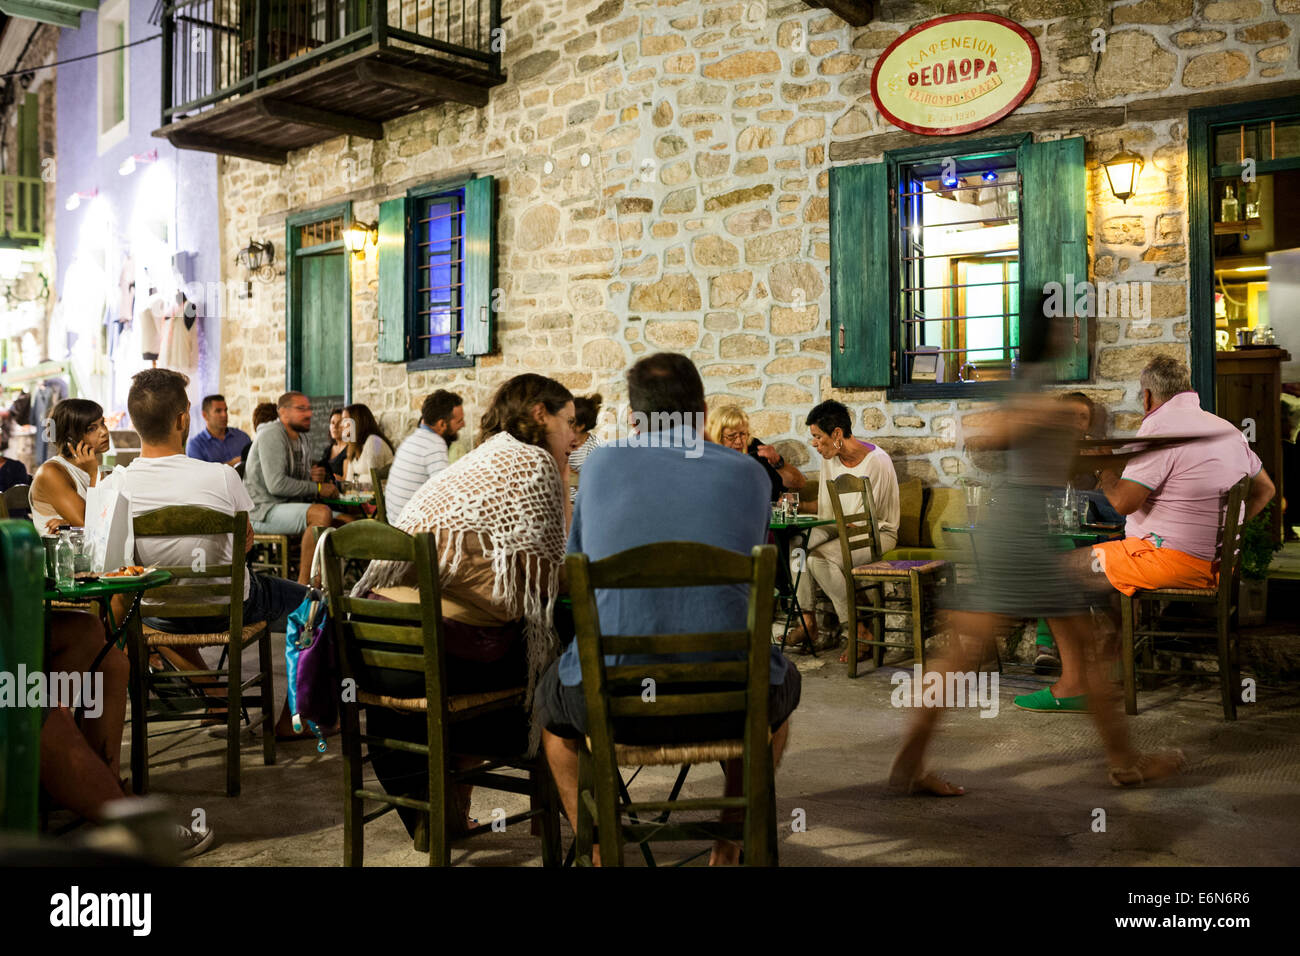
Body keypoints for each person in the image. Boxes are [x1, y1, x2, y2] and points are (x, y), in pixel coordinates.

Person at [889, 310, 1186, 795]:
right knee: (1076, 657)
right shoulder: (1028, 390)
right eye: (1065, 329)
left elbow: (1043, 449)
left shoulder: (1036, 388)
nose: (1074, 337)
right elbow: (989, 432)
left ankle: (910, 761)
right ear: (1048, 337)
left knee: (963, 654)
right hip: (1021, 537)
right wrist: (1039, 424)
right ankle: (1125, 763)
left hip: (1013, 533)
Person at [535, 353, 801, 866]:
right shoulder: (749, 475)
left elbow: (576, 569)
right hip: (729, 698)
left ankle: (598, 850)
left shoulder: (600, 467)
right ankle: (728, 843)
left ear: (634, 418)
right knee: (778, 696)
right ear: (702, 413)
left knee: (553, 725)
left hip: (613, 700)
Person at [353, 373, 574, 836]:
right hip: (434, 658)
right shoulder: (534, 465)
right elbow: (548, 579)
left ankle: (445, 815)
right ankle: (571, 812)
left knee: (519, 633)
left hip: (374, 646)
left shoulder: (478, 458)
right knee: (561, 659)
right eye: (569, 423)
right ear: (540, 415)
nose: (573, 437)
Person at [1016, 356, 1277, 712]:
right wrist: (1229, 532)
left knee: (1050, 573)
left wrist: (1105, 466)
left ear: (1149, 396)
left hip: (1170, 560)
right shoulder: (1227, 430)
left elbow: (1123, 502)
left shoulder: (1160, 431)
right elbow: (1266, 491)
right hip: (1216, 564)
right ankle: (1114, 671)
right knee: (1107, 573)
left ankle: (1073, 685)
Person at [105, 369, 310, 739]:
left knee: (167, 605)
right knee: (316, 608)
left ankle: (217, 697)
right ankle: (297, 721)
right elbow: (243, 546)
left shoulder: (115, 485)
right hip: (227, 609)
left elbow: (111, 568)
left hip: (158, 615)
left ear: (135, 423)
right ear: (183, 419)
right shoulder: (222, 476)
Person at [788, 400, 900, 659]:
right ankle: (808, 621)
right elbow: (830, 508)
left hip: (877, 533)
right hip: (839, 526)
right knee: (797, 545)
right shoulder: (830, 459)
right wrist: (800, 506)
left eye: (818, 437)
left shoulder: (877, 461)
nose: (814, 444)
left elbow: (864, 520)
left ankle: (858, 630)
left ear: (837, 434)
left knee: (818, 560)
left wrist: (836, 524)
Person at [243, 392, 342, 585]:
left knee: (347, 522)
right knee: (321, 515)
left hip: (287, 506)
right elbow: (277, 485)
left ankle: (338, 587)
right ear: (283, 413)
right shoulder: (271, 434)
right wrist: (317, 487)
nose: (309, 414)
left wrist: (312, 477)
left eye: (309, 409)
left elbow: (297, 481)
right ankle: (305, 588)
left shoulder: (302, 438)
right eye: (301, 409)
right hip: (262, 510)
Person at [29, 398, 110, 533]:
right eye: (91, 429)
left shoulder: (96, 469)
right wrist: (94, 474)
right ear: (70, 438)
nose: (104, 432)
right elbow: (92, 528)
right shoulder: (50, 472)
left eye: (103, 423)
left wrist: (69, 523)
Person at [384, 389, 463, 521]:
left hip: (394, 527)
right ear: (442, 424)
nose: (463, 425)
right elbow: (445, 497)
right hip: (411, 533)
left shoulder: (411, 440)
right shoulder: (435, 444)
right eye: (459, 421)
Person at [708, 404, 805, 502]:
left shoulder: (756, 449)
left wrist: (778, 462)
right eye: (731, 436)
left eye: (743, 434)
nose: (739, 441)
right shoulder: (708, 459)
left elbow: (799, 483)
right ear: (717, 436)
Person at [186, 394, 250, 467]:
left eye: (225, 410)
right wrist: (233, 463)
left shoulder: (243, 437)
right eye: (218, 411)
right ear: (205, 415)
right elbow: (200, 475)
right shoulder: (196, 445)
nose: (224, 415)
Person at [340, 403, 394, 488]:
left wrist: (355, 484)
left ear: (357, 421)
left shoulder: (374, 441)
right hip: (364, 496)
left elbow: (375, 481)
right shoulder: (353, 446)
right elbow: (349, 481)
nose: (341, 425)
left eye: (345, 420)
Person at [567, 392, 604, 503]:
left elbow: (597, 483)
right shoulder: (561, 441)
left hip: (582, 504)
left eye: (569, 420)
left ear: (580, 426)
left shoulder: (595, 447)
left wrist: (572, 475)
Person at [318, 406, 348, 482]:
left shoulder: (349, 450)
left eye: (339, 423)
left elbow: (347, 480)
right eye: (332, 423)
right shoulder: (327, 450)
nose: (335, 427)